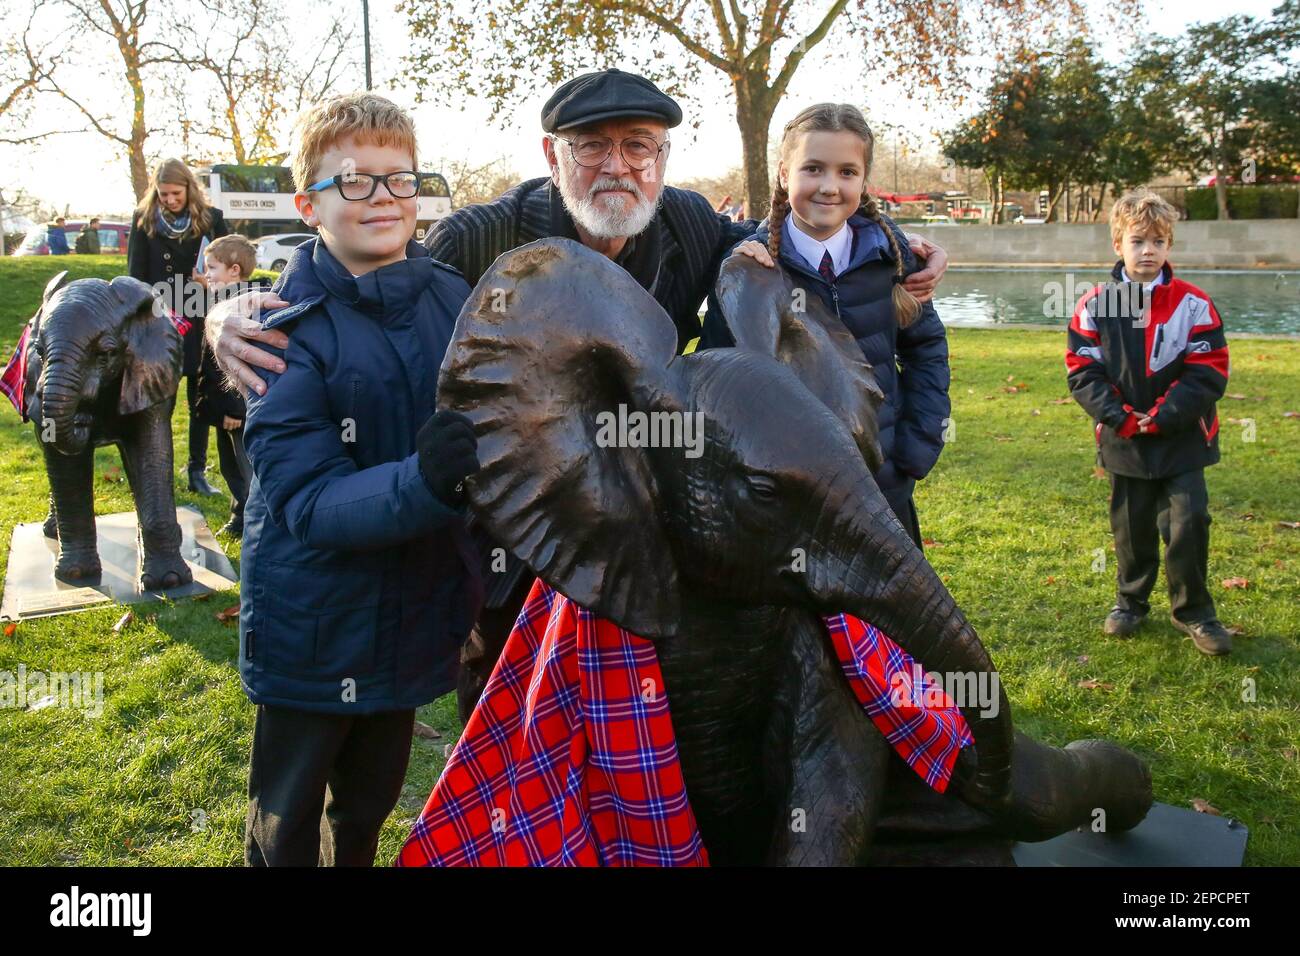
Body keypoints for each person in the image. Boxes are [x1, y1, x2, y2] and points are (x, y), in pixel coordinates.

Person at [205, 69, 953, 720]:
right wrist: (230, 308)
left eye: (638, 146)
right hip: (512, 514)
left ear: (662, 159)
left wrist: (890, 245)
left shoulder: (691, 224)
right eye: (590, 146)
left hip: (641, 507)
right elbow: (370, 267)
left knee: (643, 702)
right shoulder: (483, 236)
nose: (617, 167)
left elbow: (779, 248)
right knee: (508, 695)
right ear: (551, 157)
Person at [238, 92, 481, 866]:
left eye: (400, 178)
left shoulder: (454, 299)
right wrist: (427, 483)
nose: (383, 198)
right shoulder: (280, 328)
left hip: (414, 614)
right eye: (356, 182)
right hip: (312, 625)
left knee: (370, 806)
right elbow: (307, 501)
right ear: (309, 204)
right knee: (287, 820)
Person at [703, 103, 951, 549]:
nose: (829, 187)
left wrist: (914, 447)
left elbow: (926, 347)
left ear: (863, 180)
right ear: (784, 173)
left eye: (847, 172)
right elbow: (721, 374)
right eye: (813, 169)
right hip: (789, 490)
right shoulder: (750, 268)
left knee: (886, 611)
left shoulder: (893, 258)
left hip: (883, 484)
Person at [1066, 190, 1233, 655]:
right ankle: (1130, 602)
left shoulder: (1195, 304)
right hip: (1124, 439)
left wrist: (1162, 416)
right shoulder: (1095, 305)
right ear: (1117, 244)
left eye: (1158, 241)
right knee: (1131, 527)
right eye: (1138, 240)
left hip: (1182, 440)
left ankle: (1195, 612)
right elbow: (1082, 371)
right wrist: (1121, 417)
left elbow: (1209, 370)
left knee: (1189, 520)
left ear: (1169, 247)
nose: (1148, 251)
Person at [127, 158, 229, 497]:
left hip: (202, 315)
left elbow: (232, 268)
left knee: (200, 398)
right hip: (161, 319)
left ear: (188, 188)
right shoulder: (144, 221)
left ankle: (197, 471)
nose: (169, 200)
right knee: (161, 400)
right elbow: (135, 276)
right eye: (163, 194)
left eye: (175, 193)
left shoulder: (212, 220)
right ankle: (157, 472)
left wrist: (210, 281)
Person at [196, 235, 260, 537]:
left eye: (212, 268)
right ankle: (239, 515)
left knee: (241, 467)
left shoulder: (241, 309)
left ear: (234, 270)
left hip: (235, 408)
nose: (206, 274)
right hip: (222, 407)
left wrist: (235, 407)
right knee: (229, 464)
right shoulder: (218, 304)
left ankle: (251, 519)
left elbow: (237, 365)